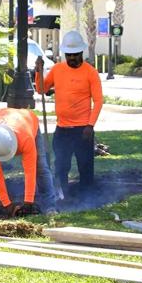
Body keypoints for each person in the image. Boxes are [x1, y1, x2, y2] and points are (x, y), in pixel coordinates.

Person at [36, 31, 103, 199]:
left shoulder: (90, 72)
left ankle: (87, 198)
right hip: (63, 129)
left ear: (81, 52)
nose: (72, 58)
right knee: (61, 166)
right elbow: (42, 89)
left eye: (75, 54)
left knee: (85, 166)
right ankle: (62, 196)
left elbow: (98, 101)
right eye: (69, 55)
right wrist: (38, 72)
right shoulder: (57, 69)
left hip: (83, 129)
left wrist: (90, 125)